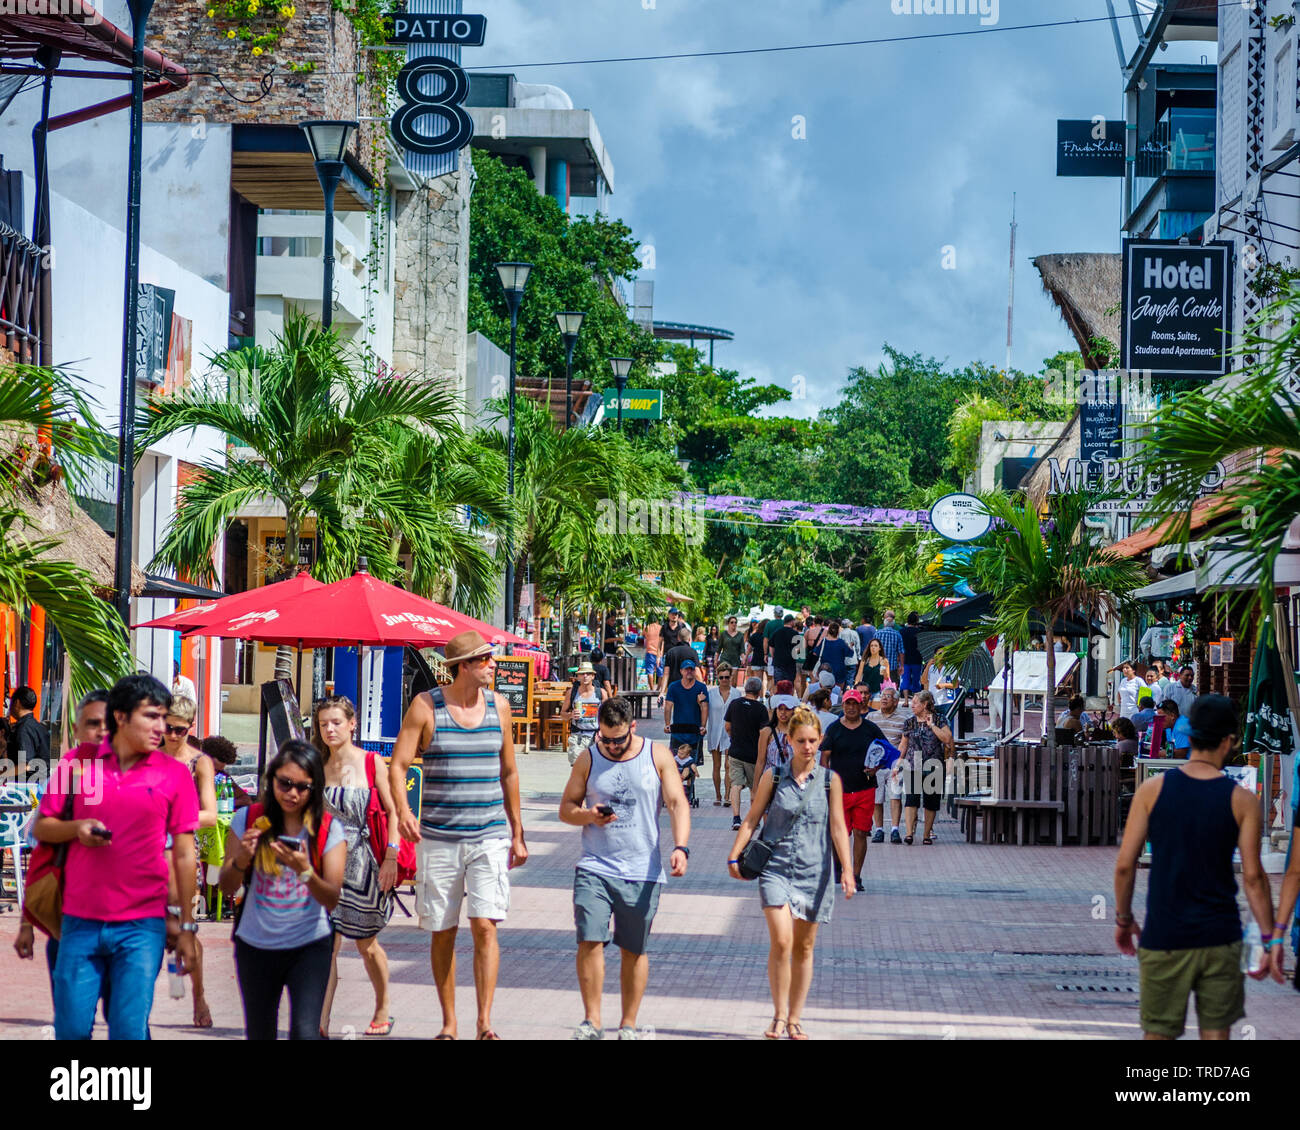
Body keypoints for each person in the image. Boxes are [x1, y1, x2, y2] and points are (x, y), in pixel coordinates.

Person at [34, 675, 199, 1041]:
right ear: (121, 717)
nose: (161, 728)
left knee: (128, 1031)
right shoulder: (76, 764)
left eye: (164, 718)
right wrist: (76, 828)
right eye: (151, 716)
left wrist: (186, 926)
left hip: (142, 926)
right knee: (71, 1030)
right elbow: (43, 826)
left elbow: (185, 854)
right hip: (79, 921)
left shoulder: (174, 774)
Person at [389, 630, 528, 1041]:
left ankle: (484, 1022)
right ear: (463, 667)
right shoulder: (426, 706)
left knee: (486, 925)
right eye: (485, 659)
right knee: (443, 929)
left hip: (489, 835)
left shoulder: (500, 706)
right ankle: (449, 1022)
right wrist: (403, 812)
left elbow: (509, 772)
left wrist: (517, 831)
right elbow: (398, 765)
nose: (493, 665)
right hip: (439, 837)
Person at [1114, 695, 1273, 1040]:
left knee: (1158, 1034)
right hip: (1220, 937)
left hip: (1164, 935)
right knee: (1216, 1035)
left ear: (1192, 734)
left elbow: (1125, 866)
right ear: (1229, 741)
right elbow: (1253, 878)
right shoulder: (1243, 800)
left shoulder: (1152, 790)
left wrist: (1124, 920)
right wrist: (1268, 937)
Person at [560, 697, 690, 1040]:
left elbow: (676, 802)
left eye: (618, 739)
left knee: (634, 949)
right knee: (590, 938)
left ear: (633, 727)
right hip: (595, 866)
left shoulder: (657, 755)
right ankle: (592, 1021)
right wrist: (588, 816)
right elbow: (566, 808)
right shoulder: (589, 758)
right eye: (606, 739)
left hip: (641, 870)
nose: (612, 746)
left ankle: (628, 1024)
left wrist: (680, 847)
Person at [727, 704, 854, 1040]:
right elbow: (752, 819)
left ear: (820, 739)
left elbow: (838, 828)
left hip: (815, 870)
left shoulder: (830, 781)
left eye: (812, 741)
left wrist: (847, 870)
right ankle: (779, 1015)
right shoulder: (774, 776)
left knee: (804, 947)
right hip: (776, 869)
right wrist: (734, 855)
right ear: (789, 740)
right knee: (782, 941)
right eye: (801, 741)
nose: (807, 747)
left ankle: (795, 1018)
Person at [220, 738, 346, 1040]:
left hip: (309, 945)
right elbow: (226, 885)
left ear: (315, 788)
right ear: (272, 778)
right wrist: (241, 860)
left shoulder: (328, 829)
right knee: (260, 1032)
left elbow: (331, 898)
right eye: (285, 783)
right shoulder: (248, 819)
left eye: (302, 787)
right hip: (255, 945)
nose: (292, 793)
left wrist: (306, 872)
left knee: (305, 1033)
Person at [312, 695, 400, 1038]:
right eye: (323, 724)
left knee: (366, 943)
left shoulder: (371, 762)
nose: (329, 729)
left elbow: (393, 811)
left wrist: (391, 857)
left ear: (352, 724)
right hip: (326, 864)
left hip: (365, 865)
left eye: (336, 722)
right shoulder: (316, 764)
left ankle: (383, 1007)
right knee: (327, 945)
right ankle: (320, 1022)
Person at [13, 690, 108, 991]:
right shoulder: (69, 771)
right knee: (71, 1010)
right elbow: (42, 848)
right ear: (76, 729)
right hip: (70, 914)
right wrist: (27, 922)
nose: (102, 732)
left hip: (125, 921)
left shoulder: (140, 774)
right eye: (93, 723)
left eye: (109, 724)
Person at [157, 694, 217, 1028]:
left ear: (190, 727)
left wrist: (173, 817)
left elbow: (210, 815)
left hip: (182, 853)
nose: (172, 735)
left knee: (187, 929)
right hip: (149, 852)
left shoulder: (199, 762)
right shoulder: (150, 757)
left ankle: (199, 996)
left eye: (179, 730)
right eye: (167, 727)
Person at [819, 688, 889, 892]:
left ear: (861, 706)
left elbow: (886, 752)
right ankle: (839, 867)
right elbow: (824, 758)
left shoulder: (870, 729)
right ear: (843, 705)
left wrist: (876, 768)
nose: (850, 708)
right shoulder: (834, 729)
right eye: (847, 704)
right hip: (839, 790)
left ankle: (855, 876)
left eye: (854, 704)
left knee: (860, 832)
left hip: (864, 788)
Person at [892, 689, 952, 845]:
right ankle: (909, 833)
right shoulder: (910, 722)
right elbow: (903, 745)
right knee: (911, 799)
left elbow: (947, 739)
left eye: (915, 703)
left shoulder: (939, 719)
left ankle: (926, 835)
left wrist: (932, 725)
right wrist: (897, 764)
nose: (912, 706)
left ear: (925, 704)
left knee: (931, 801)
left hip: (934, 765)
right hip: (913, 764)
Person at [725, 676, 769, 832]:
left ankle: (736, 818)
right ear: (759, 691)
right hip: (753, 755)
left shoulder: (734, 704)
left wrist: (733, 737)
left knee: (735, 785)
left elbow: (727, 726)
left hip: (735, 751)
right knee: (754, 787)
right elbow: (764, 732)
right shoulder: (761, 709)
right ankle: (754, 819)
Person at [868, 684, 908, 843]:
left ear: (896, 701)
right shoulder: (872, 717)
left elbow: (904, 743)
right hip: (876, 764)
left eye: (888, 696)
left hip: (894, 764)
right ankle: (878, 829)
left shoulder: (903, 720)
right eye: (882, 696)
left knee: (895, 796)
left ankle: (895, 829)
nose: (884, 699)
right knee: (877, 798)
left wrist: (898, 762)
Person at [663, 658, 709, 766]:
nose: (689, 671)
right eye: (686, 669)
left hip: (695, 733)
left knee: (692, 767)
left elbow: (705, 707)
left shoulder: (701, 687)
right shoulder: (673, 687)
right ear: (681, 671)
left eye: (691, 669)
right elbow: (668, 706)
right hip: (678, 732)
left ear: (694, 671)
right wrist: (667, 724)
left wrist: (703, 726)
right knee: (675, 766)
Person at [565, 662, 609, 767]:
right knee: (578, 769)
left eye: (588, 674)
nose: (585, 676)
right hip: (577, 738)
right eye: (582, 674)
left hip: (595, 737)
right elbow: (562, 714)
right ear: (578, 676)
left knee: (595, 769)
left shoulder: (601, 693)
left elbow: (607, 716)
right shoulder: (572, 693)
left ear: (593, 676)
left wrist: (603, 733)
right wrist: (571, 715)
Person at [705, 663, 737, 805]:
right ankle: (717, 795)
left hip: (730, 733)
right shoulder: (711, 694)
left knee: (728, 765)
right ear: (717, 677)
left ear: (731, 677)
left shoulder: (736, 694)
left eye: (727, 677)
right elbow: (704, 710)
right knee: (716, 765)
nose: (724, 680)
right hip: (715, 731)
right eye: (721, 677)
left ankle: (727, 796)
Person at [759, 682, 801, 773]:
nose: (783, 712)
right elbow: (760, 761)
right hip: (771, 778)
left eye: (787, 709)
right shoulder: (767, 732)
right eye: (780, 709)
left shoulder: (799, 733)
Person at [8, 684, 49, 768]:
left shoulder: (24, 729)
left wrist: (3, 774)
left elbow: (25, 766)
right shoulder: (39, 727)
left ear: (17, 703)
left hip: (32, 776)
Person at [657, 627, 698, 704]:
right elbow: (697, 673)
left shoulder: (670, 652)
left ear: (678, 638)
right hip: (689, 688)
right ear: (689, 639)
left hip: (673, 688)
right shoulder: (693, 652)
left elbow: (666, 673)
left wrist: (662, 692)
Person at [816, 621, 854, 689]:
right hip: (839, 671)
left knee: (824, 691)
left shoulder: (824, 641)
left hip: (825, 670)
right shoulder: (841, 642)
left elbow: (816, 652)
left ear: (828, 631)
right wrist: (850, 646)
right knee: (838, 691)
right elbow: (850, 654)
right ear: (838, 632)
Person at [854, 638, 891, 704]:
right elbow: (859, 675)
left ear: (879, 648)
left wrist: (884, 670)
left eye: (876, 646)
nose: (873, 648)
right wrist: (855, 687)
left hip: (878, 691)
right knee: (865, 708)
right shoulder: (865, 660)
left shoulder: (884, 660)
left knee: (874, 708)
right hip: (865, 691)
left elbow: (887, 678)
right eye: (871, 646)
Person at [898, 611, 924, 703]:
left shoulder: (901, 631)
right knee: (916, 680)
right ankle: (916, 700)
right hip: (917, 659)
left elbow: (899, 646)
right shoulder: (920, 631)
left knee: (905, 680)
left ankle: (905, 701)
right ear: (916, 621)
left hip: (904, 659)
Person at [874, 611, 904, 693]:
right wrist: (901, 665)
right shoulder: (897, 635)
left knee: (879, 685)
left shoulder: (877, 633)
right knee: (892, 686)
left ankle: (880, 698)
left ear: (884, 624)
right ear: (893, 625)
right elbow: (901, 651)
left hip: (879, 664)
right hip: (892, 666)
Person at [770, 613, 801, 688]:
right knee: (790, 685)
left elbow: (771, 646)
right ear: (791, 622)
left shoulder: (776, 632)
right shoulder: (795, 633)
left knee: (778, 684)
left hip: (778, 662)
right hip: (790, 663)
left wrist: (773, 656)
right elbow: (798, 649)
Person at [642, 618, 663, 684]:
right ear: (657, 621)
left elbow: (643, 636)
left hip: (650, 652)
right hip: (659, 653)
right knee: (661, 672)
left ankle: (651, 688)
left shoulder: (647, 628)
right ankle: (658, 688)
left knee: (650, 672)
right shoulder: (661, 628)